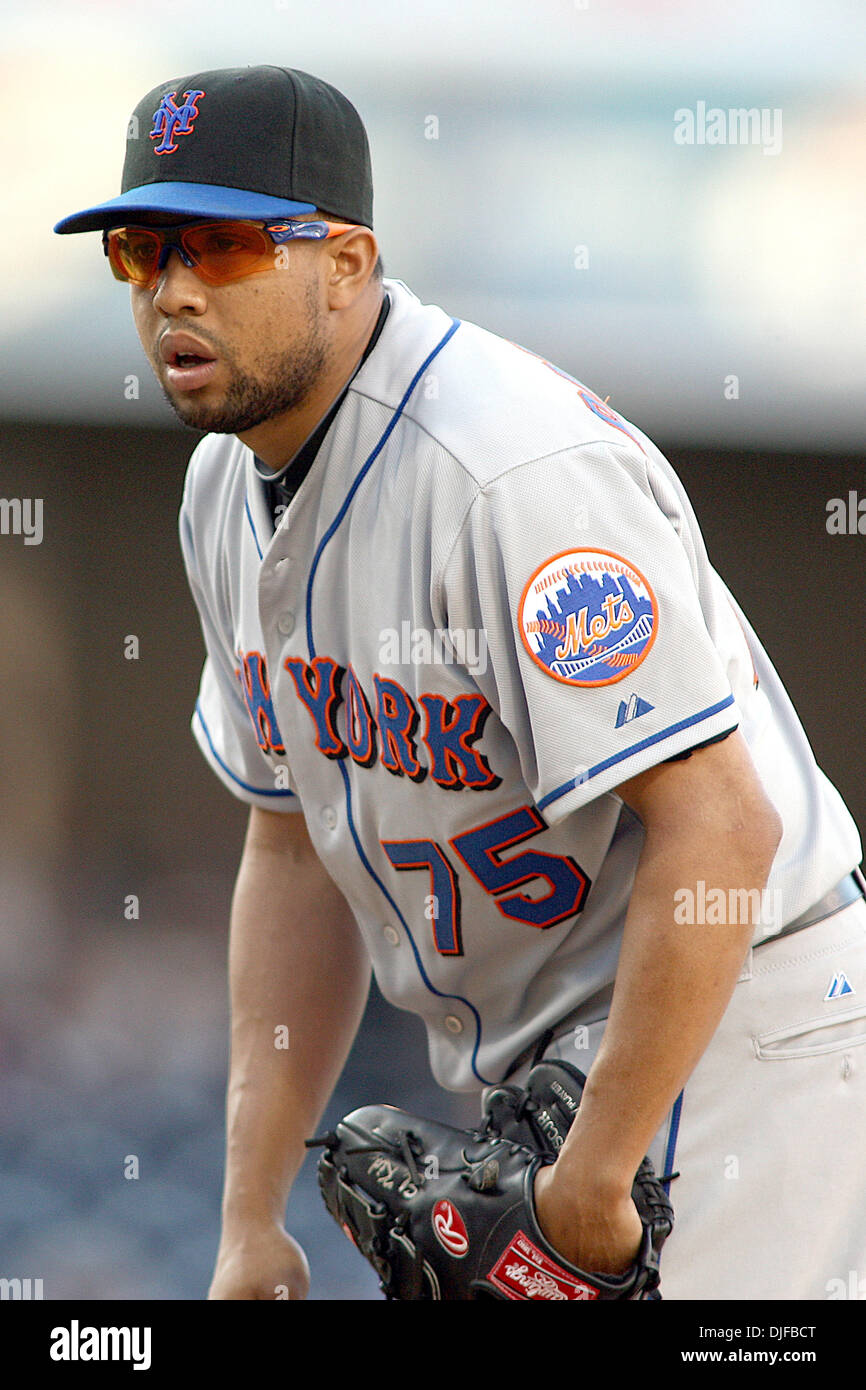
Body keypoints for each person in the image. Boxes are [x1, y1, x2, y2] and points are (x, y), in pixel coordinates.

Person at [55, 64, 866, 1302]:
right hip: (549, 1068)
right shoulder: (223, 488)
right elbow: (289, 847)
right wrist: (248, 1215)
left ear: (346, 260)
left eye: (219, 246)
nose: (172, 289)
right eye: (141, 253)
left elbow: (721, 822)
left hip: (736, 1032)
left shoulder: (507, 472)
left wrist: (596, 1174)